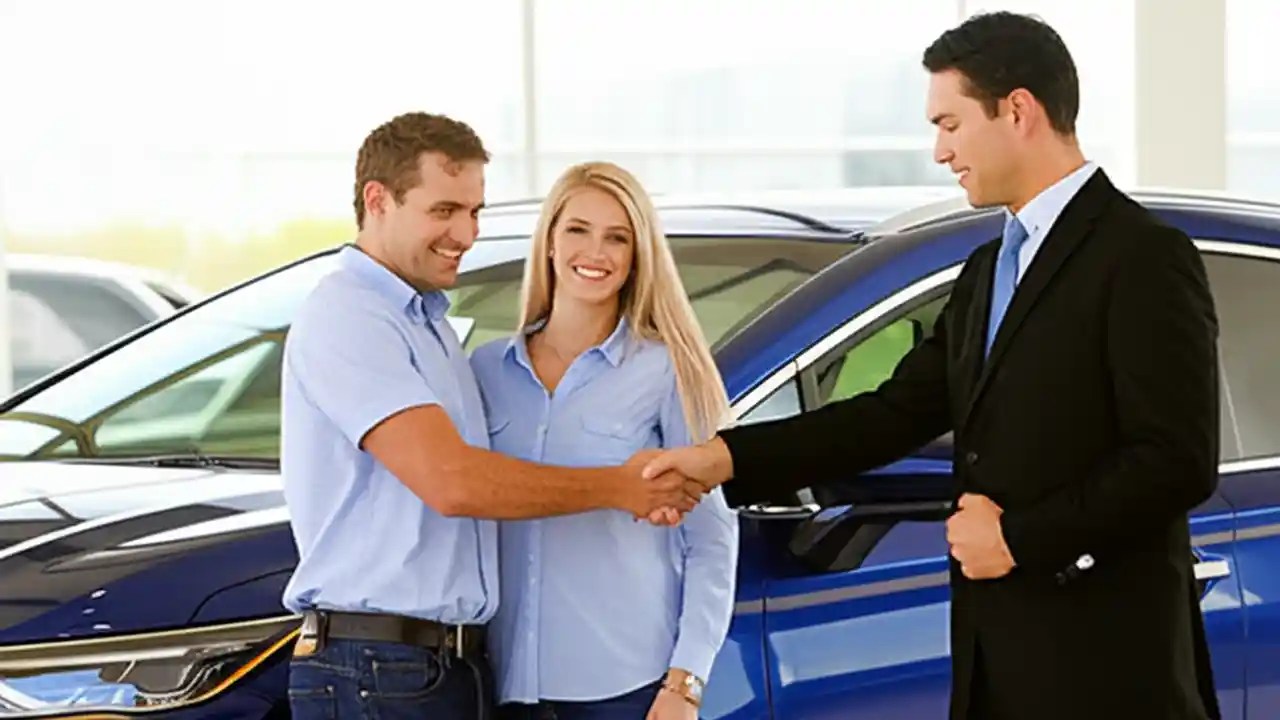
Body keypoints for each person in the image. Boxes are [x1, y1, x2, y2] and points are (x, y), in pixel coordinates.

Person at [642, 12, 1221, 720]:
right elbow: (895, 414)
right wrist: (725, 459)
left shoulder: (1142, 257)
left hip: (1106, 673)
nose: (940, 152)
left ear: (1017, 111)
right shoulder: (986, 271)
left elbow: (1177, 458)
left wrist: (1017, 538)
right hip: (996, 664)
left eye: (949, 123)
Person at [279, 113, 702, 720]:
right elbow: (455, 482)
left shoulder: (429, 329)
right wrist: (620, 485)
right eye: (444, 210)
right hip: (379, 669)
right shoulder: (351, 315)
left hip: (451, 669)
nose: (465, 233)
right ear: (378, 200)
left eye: (475, 212)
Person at [468, 161, 738, 720]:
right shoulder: (485, 371)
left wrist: (684, 685)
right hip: (501, 686)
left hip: (624, 690)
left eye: (618, 237)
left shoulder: (666, 371)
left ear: (638, 256)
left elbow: (712, 540)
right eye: (578, 230)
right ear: (548, 242)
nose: (596, 252)